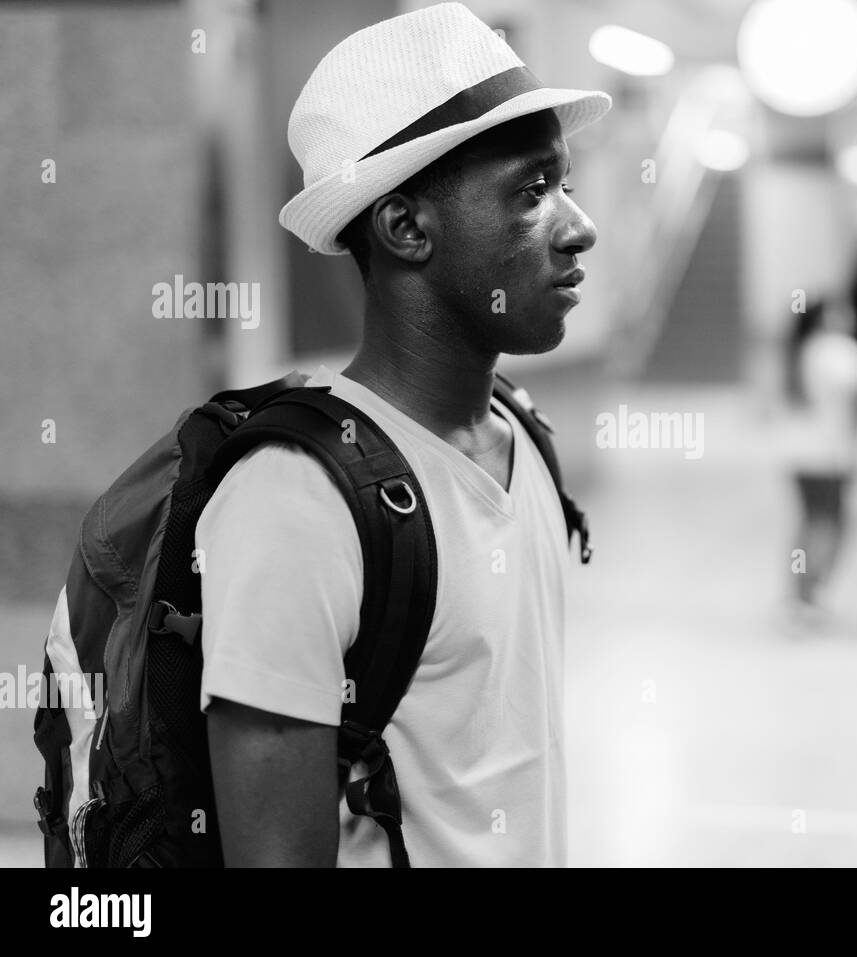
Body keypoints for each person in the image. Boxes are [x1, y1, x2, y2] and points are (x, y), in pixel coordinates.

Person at [196, 4, 609, 866]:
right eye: (532, 192)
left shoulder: (519, 434)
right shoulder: (297, 500)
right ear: (406, 227)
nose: (579, 226)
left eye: (565, 184)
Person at [781, 296, 857, 624]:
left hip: (800, 452)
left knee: (809, 524)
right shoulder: (844, 353)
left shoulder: (801, 351)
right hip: (831, 454)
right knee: (830, 526)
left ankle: (798, 593)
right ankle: (813, 593)